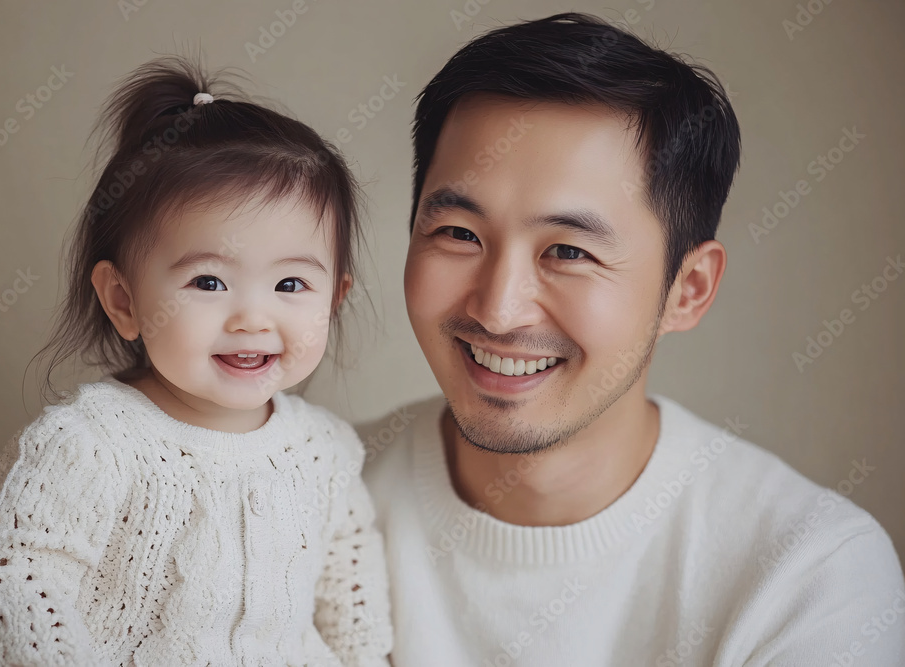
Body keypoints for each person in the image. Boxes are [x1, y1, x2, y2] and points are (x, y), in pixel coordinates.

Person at [360, 12, 905, 666]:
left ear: (689, 289)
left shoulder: (809, 570)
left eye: (567, 250)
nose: (499, 310)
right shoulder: (302, 494)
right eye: (459, 234)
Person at [0, 57, 392, 666]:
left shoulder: (325, 450)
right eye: (209, 282)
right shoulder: (91, 445)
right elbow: (13, 581)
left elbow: (351, 597)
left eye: (291, 286)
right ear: (124, 301)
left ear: (335, 299)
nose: (253, 319)